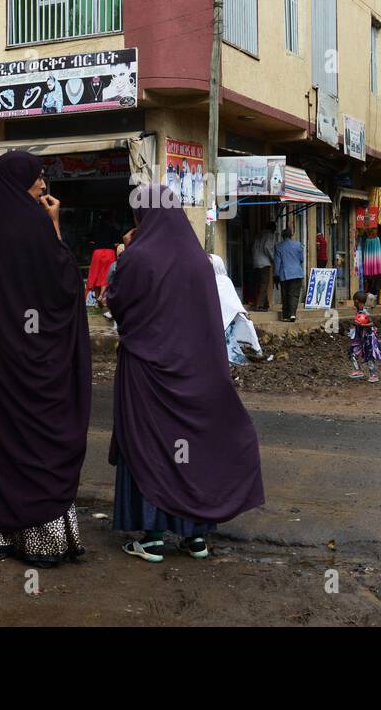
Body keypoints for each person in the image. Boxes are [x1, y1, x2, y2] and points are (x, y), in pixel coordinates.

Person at [0, 151, 91, 568]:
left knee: (1, 438)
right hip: (36, 363)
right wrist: (55, 228)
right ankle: (41, 540)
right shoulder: (34, 226)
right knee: (41, 438)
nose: (43, 186)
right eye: (38, 178)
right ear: (20, 180)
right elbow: (63, 285)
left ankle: (1, 534)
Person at [107, 183, 264, 563]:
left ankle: (154, 535)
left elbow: (117, 306)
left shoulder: (137, 258)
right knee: (191, 451)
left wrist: (125, 253)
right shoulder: (200, 261)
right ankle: (196, 537)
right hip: (197, 373)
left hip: (147, 373)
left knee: (149, 450)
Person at [210, 254, 262, 364]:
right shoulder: (208, 281)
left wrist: (242, 311)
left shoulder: (225, 281)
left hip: (227, 317)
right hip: (213, 316)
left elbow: (232, 300)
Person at [348, 290, 381, 383]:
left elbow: (372, 323)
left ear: (356, 301)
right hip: (359, 336)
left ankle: (373, 375)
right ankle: (358, 370)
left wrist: (363, 325)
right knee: (352, 352)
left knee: (369, 355)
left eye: (354, 301)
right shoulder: (359, 311)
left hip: (368, 336)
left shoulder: (366, 312)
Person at [86, 217, 120, 306]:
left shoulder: (95, 229)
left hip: (97, 252)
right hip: (110, 252)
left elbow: (90, 242)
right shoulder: (113, 229)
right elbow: (116, 244)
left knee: (96, 275)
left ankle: (98, 300)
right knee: (106, 275)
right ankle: (101, 296)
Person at [273, 228, 305, 322]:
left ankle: (286, 315)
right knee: (294, 295)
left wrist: (276, 275)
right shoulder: (298, 244)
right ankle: (292, 314)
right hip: (297, 273)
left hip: (284, 274)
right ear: (291, 235)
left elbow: (277, 263)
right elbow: (301, 259)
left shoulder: (278, 246)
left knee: (285, 295)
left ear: (282, 236)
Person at [251, 224, 276, 311]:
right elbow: (267, 247)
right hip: (264, 262)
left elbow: (253, 247)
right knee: (264, 284)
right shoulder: (269, 235)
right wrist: (273, 258)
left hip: (256, 261)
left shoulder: (258, 235)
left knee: (260, 283)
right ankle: (259, 305)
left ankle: (265, 304)